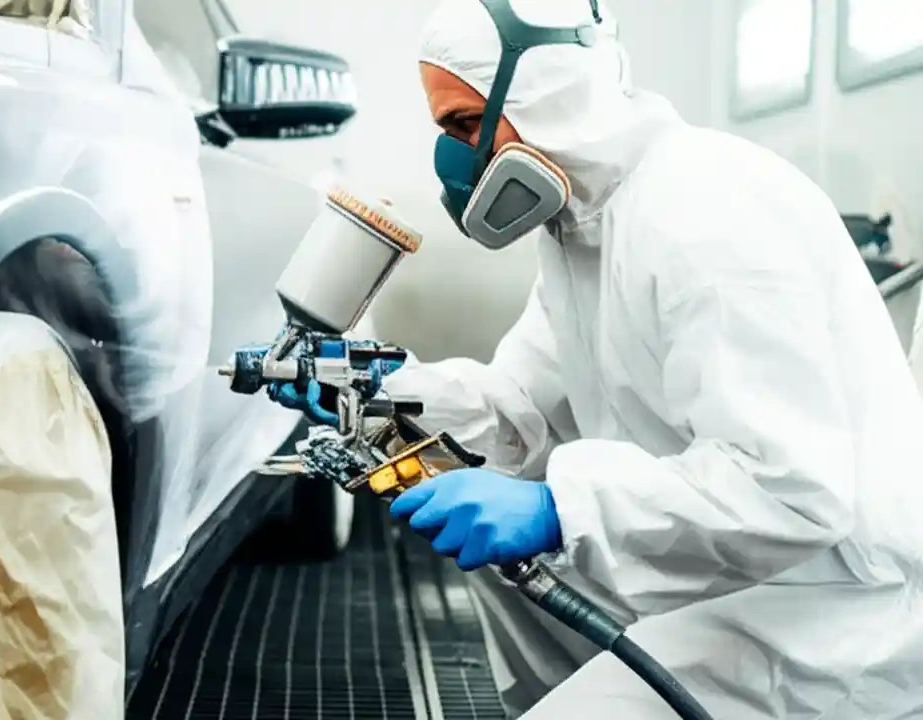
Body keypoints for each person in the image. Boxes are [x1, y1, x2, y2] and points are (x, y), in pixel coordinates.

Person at [266, 0, 923, 717]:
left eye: (462, 125)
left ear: (543, 96)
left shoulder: (706, 209)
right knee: (519, 563)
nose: (456, 158)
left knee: (552, 548)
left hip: (826, 610)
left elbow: (793, 490)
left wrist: (557, 507)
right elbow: (524, 407)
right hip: (735, 561)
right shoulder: (583, 224)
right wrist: (385, 391)